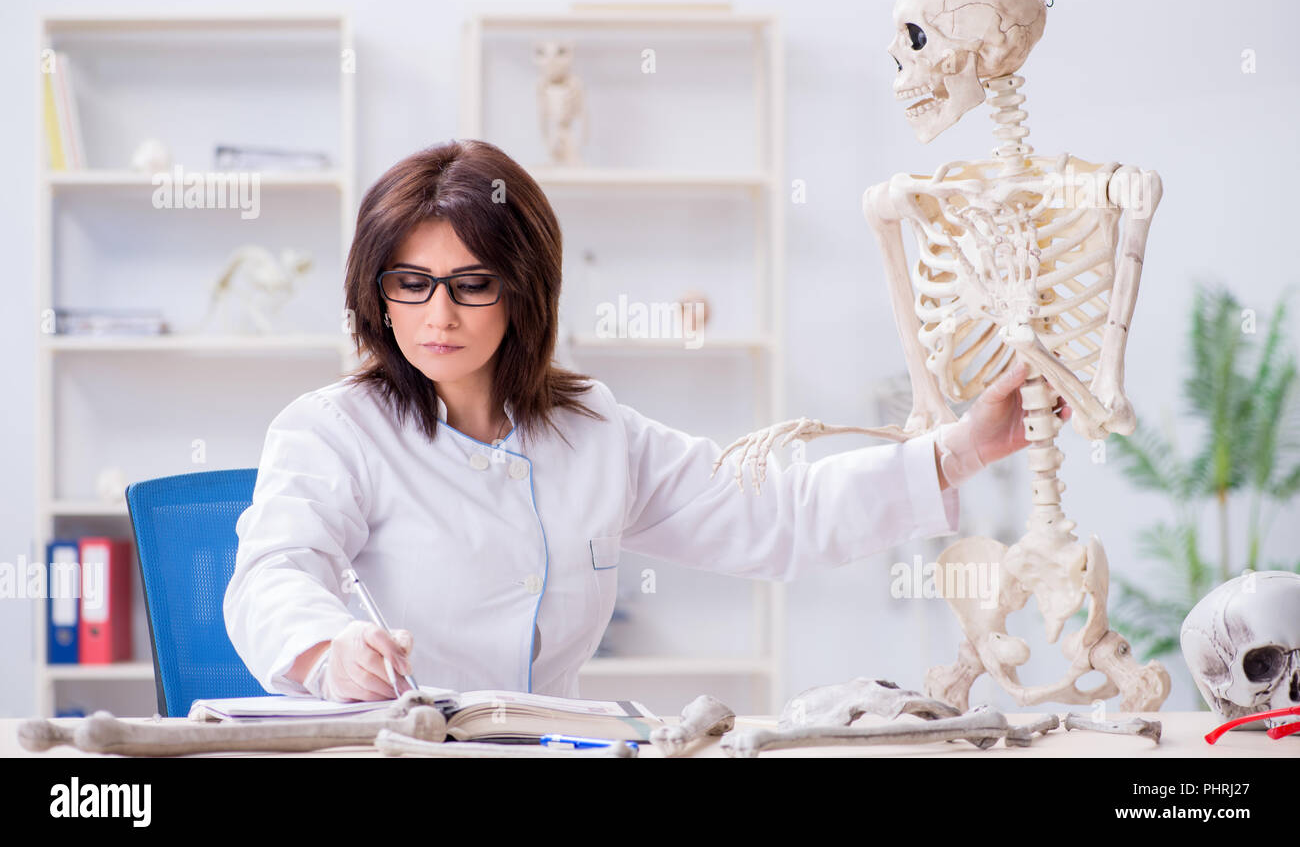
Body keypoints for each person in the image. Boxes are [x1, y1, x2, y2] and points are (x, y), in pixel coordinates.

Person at [222, 139, 1070, 702]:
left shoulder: (591, 429)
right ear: (378, 291)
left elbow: (772, 514)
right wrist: (328, 652)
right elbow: (272, 574)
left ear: (524, 289)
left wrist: (963, 448)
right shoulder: (332, 431)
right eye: (409, 282)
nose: (437, 311)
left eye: (471, 281)